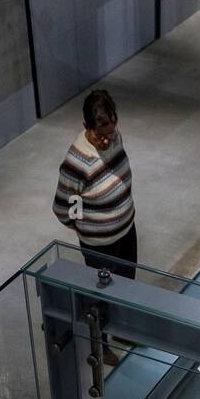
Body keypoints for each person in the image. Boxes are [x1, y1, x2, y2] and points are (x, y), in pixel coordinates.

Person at [52, 88, 136, 365]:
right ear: (85, 126)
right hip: (100, 245)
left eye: (111, 131)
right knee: (100, 298)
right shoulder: (77, 162)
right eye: (99, 134)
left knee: (126, 286)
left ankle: (124, 330)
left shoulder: (114, 137)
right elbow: (63, 208)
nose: (106, 139)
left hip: (126, 231)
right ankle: (100, 347)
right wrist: (90, 228)